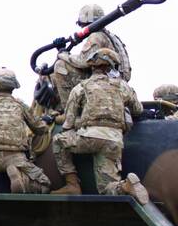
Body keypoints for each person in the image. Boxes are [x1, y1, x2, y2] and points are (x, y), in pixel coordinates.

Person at [52, 48, 149, 204]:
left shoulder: (81, 87)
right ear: (112, 67)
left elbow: (68, 124)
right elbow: (138, 110)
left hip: (88, 138)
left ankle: (72, 184)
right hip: (114, 141)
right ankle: (125, 186)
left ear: (91, 66)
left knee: (58, 140)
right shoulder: (123, 86)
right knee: (106, 188)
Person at [0, 67, 51, 194]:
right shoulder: (20, 105)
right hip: (16, 158)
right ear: (13, 86)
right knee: (45, 185)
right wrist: (47, 121)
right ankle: (15, 173)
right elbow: (39, 128)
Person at [50, 3, 133, 108]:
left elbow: (83, 61)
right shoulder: (111, 36)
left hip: (106, 82)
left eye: (81, 24)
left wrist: (62, 53)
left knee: (60, 66)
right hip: (118, 82)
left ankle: (69, 110)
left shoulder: (96, 36)